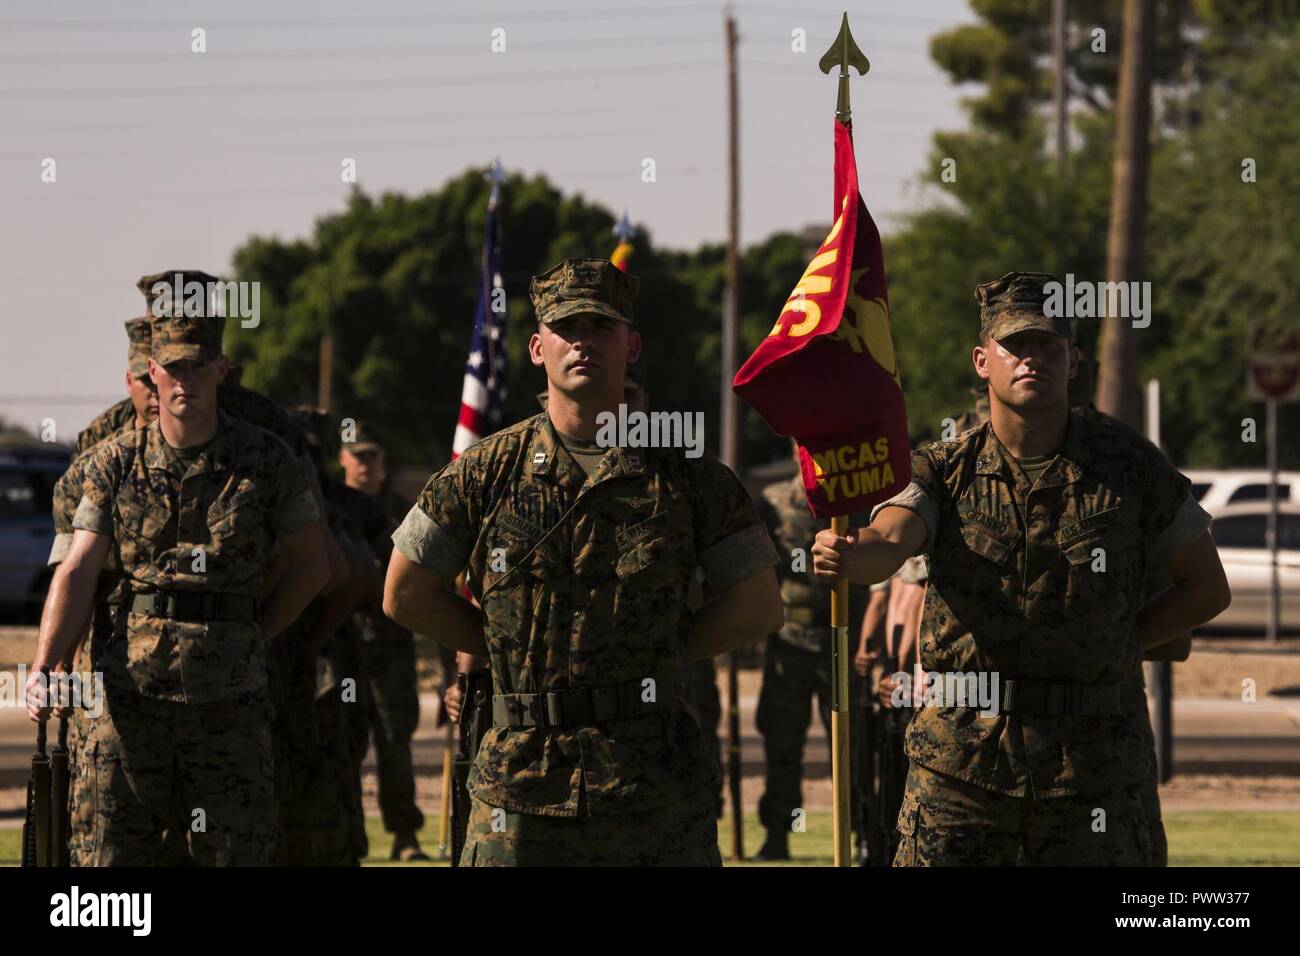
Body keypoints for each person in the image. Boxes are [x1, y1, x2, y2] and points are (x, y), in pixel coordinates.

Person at [812, 271, 1231, 866]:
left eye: (1048, 345)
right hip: (960, 773)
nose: (1031, 358)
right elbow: (893, 536)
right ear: (983, 360)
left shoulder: (1129, 465)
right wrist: (855, 554)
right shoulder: (943, 468)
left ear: (1074, 360)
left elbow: (1206, 588)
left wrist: (1116, 643)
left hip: (1095, 771)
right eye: (1016, 345)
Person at [384, 257, 783, 865]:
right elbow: (404, 593)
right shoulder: (485, 472)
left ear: (632, 346)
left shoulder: (689, 476)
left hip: (652, 784)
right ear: (537, 348)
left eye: (602, 328)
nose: (584, 343)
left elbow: (758, 606)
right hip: (519, 783)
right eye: (567, 328)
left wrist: (660, 652)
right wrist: (501, 649)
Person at [26, 273, 331, 865]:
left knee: (233, 851)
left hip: (230, 704)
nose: (183, 381)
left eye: (197, 367)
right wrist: (44, 665)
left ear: (220, 370)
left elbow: (315, 566)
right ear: (152, 374)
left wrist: (255, 632)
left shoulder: (266, 460)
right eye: (171, 368)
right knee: (112, 858)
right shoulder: (110, 463)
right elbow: (79, 568)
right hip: (128, 702)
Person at [752, 441, 869, 861]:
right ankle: (778, 833)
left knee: (851, 748)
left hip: (843, 644)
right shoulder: (774, 501)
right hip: (791, 644)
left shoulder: (856, 500)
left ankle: (860, 833)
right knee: (782, 744)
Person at [338, 421, 428, 860]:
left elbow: (434, 585)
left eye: (372, 456)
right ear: (343, 460)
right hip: (343, 650)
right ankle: (349, 840)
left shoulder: (404, 513)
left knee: (395, 744)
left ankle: (405, 835)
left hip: (392, 651)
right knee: (343, 746)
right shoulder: (331, 510)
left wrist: (450, 666)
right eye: (358, 456)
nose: (366, 464)